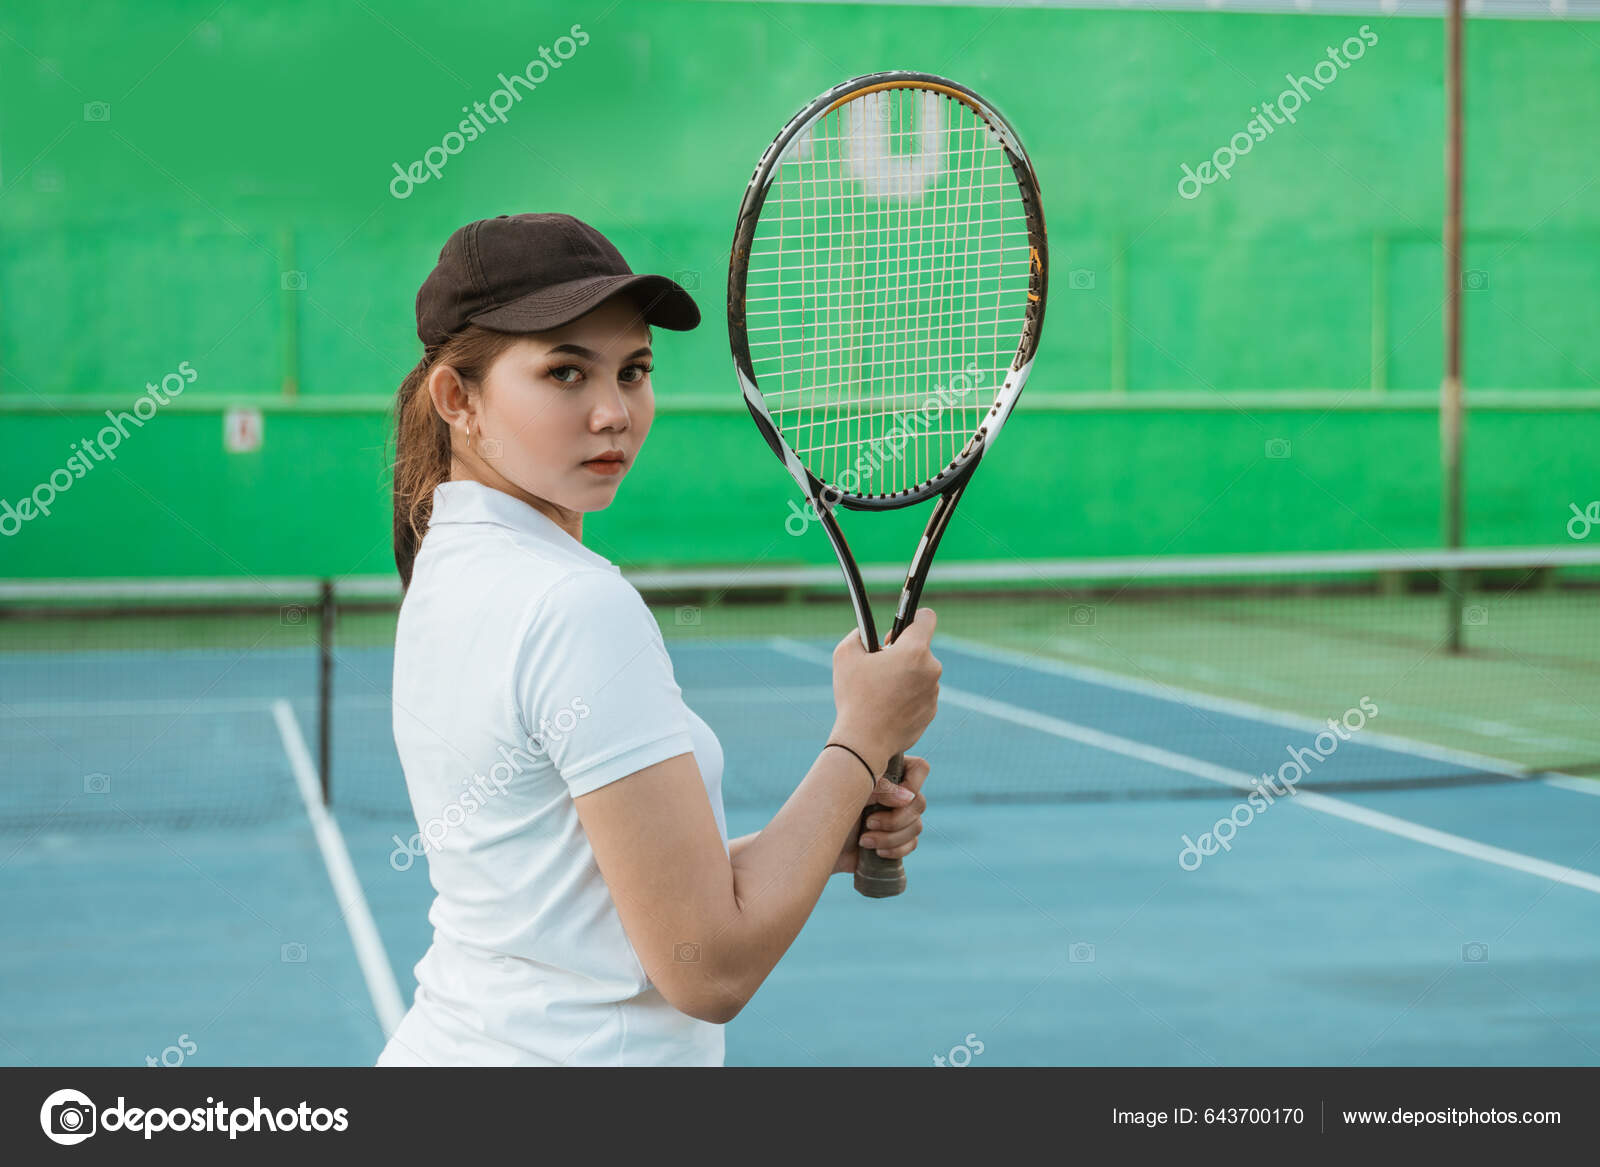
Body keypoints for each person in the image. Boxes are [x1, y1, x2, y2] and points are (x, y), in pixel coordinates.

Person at [376, 213, 940, 1066]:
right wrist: (864, 735)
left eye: (634, 371)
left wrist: (825, 829)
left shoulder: (445, 561)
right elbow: (706, 968)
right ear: (458, 399)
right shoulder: (572, 604)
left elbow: (591, 901)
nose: (615, 412)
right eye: (565, 372)